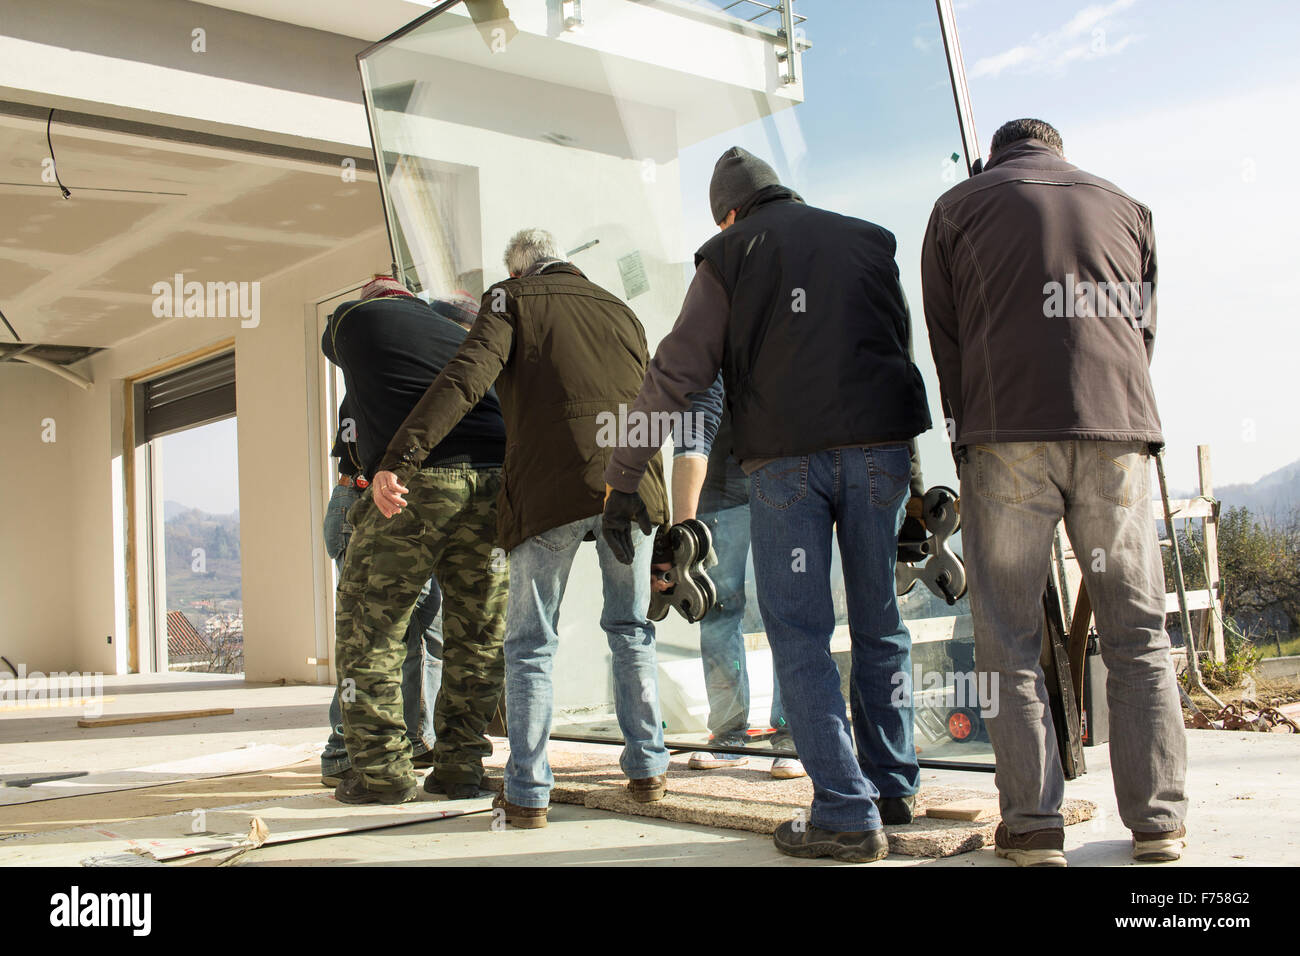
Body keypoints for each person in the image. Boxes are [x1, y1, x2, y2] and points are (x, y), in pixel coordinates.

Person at [603, 147, 931, 862]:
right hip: (880, 454)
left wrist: (624, 477)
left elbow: (675, 372)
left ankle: (845, 811)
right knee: (880, 622)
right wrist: (914, 476)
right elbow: (899, 357)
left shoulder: (728, 252)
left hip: (786, 466)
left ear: (728, 211)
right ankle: (894, 784)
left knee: (801, 632)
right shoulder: (869, 239)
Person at [920, 118, 1187, 866]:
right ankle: (1159, 823)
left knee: (1007, 636)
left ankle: (1034, 825)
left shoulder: (955, 208)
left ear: (994, 155)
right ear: (1056, 150)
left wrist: (966, 431)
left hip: (1006, 433)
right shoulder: (1128, 207)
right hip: (1116, 432)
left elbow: (948, 341)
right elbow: (1143, 332)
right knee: (1137, 633)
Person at [369, 230, 672, 828]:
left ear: (521, 270)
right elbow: (648, 400)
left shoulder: (511, 298)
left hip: (549, 487)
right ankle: (648, 770)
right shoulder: (622, 309)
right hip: (629, 485)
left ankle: (529, 794)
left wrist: (401, 455)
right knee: (632, 627)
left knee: (531, 645)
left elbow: (465, 378)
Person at [324, 278, 508, 805]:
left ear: (375, 296)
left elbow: (329, 342)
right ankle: (460, 770)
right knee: (477, 635)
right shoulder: (461, 335)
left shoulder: (358, 318)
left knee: (373, 630)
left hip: (410, 484)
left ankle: (382, 775)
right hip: (494, 480)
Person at [670, 373, 804, 779]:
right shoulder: (709, 341)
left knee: (790, 608)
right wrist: (683, 529)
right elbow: (694, 425)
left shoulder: (783, 327)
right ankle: (728, 733)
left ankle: (793, 735)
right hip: (721, 490)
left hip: (785, 482)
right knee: (718, 612)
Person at [318, 395, 445, 788]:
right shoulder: (379, 376)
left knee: (424, 633)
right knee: (371, 640)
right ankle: (343, 751)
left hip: (400, 502)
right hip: (369, 501)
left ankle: (416, 738)